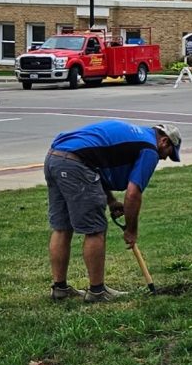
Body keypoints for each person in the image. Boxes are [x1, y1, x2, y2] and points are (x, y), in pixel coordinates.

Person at [44, 119, 183, 301]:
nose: (164, 158)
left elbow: (95, 165)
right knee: (95, 230)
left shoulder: (136, 136)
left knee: (62, 228)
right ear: (164, 141)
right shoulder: (149, 149)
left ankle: (60, 289)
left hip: (55, 157)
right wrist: (131, 230)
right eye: (168, 154)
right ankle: (97, 292)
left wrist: (111, 201)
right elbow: (133, 194)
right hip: (75, 164)